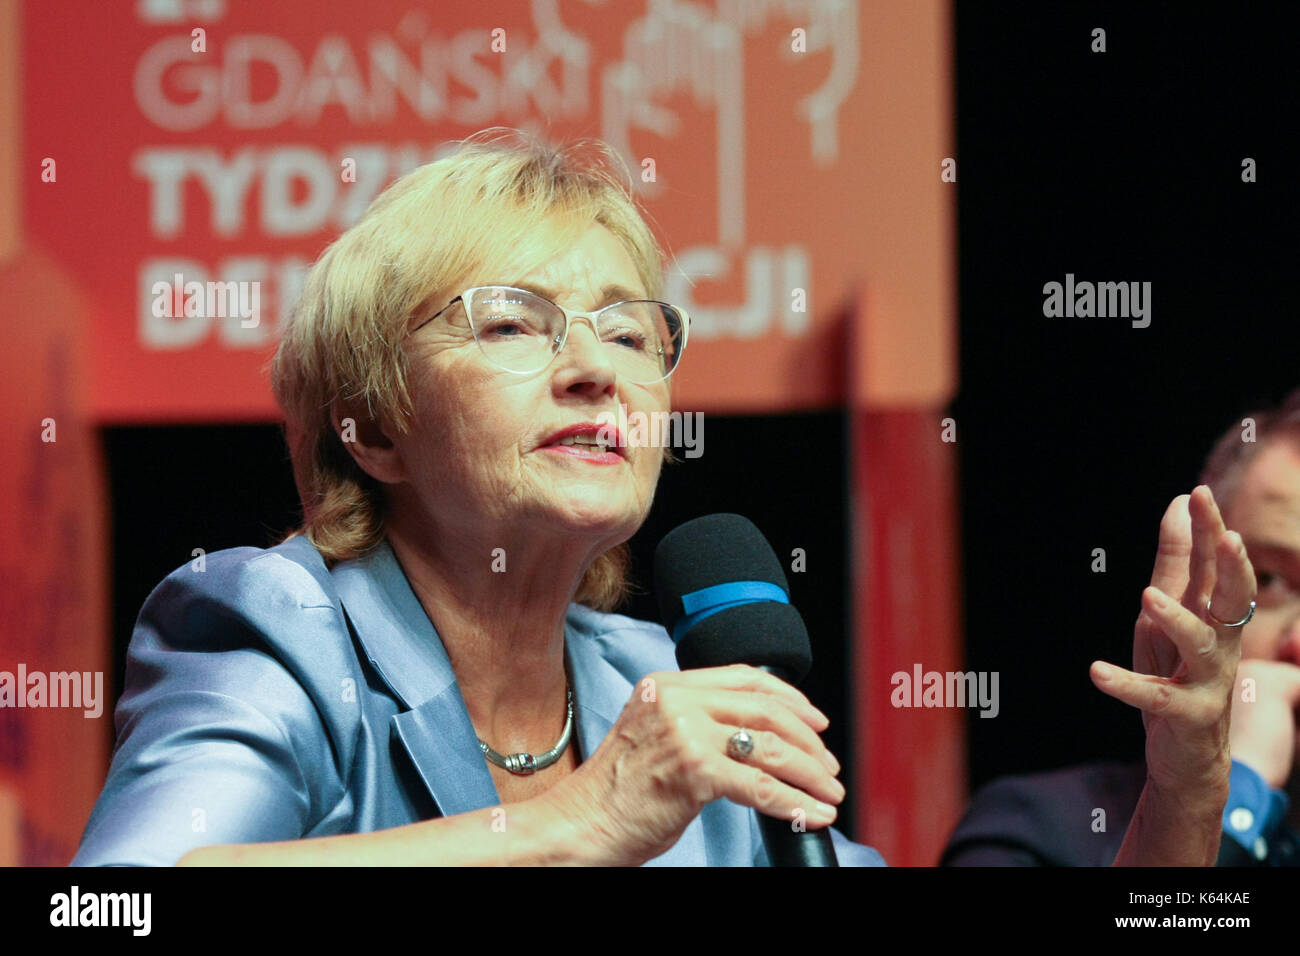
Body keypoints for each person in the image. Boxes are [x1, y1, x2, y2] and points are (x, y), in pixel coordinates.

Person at [70, 128, 1248, 867]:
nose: (598, 368)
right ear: (372, 426)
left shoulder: (658, 681)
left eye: (631, 331)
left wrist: (1183, 785)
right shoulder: (269, 622)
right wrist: (580, 820)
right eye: (515, 323)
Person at [943, 389, 1300, 866]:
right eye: (1270, 579)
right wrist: (1225, 795)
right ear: (1197, 587)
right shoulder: (1036, 831)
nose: (1297, 641)